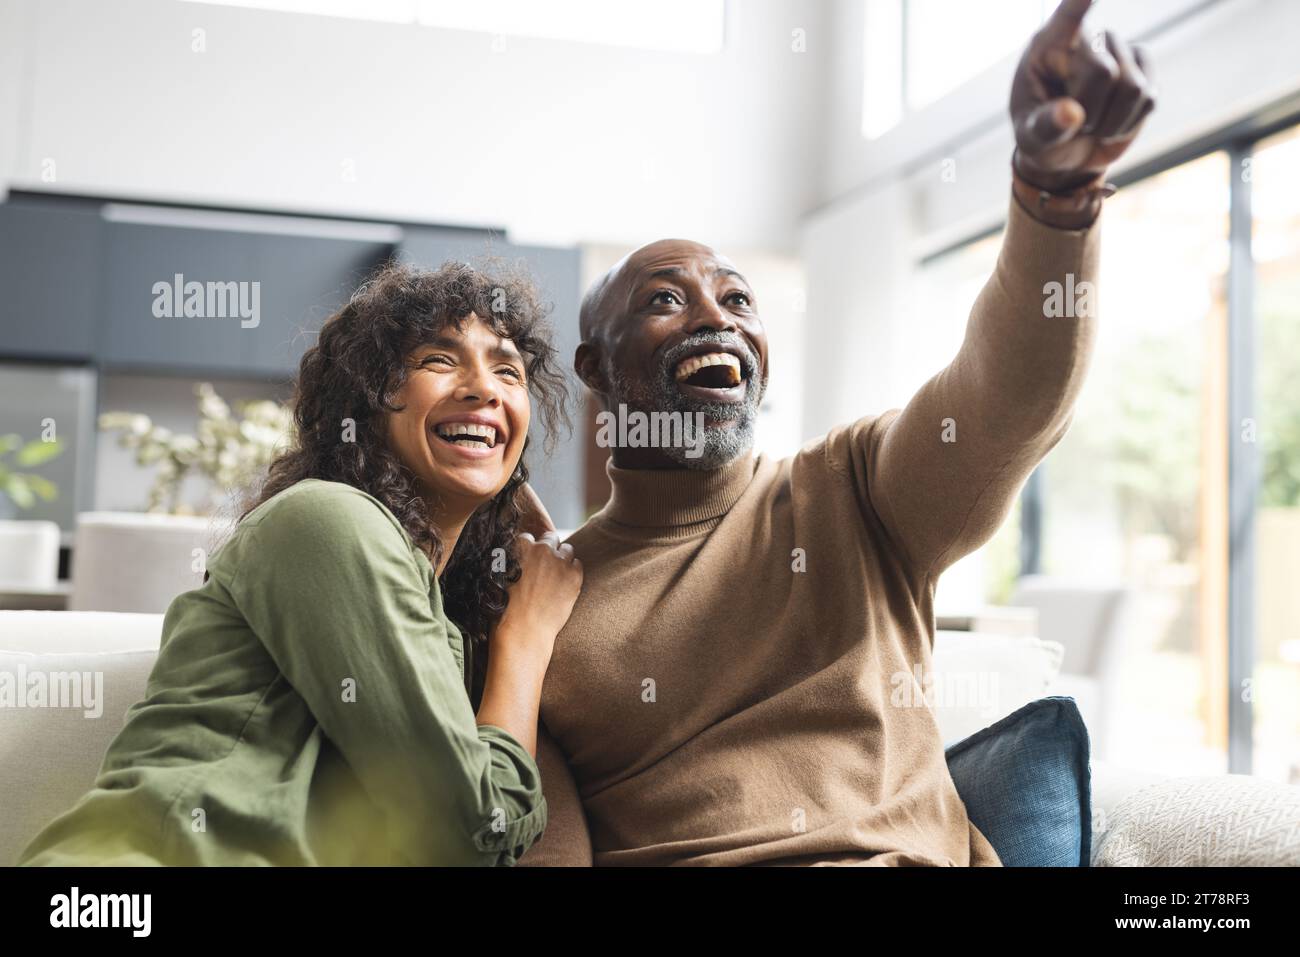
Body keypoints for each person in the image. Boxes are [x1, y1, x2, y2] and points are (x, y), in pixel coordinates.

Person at [520, 0, 1155, 866]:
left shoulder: (853, 490)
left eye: (739, 299)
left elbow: (1008, 395)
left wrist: (1056, 197)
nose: (718, 318)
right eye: (666, 300)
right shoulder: (544, 600)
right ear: (595, 369)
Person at [19, 260, 583, 866]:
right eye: (439, 361)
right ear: (365, 399)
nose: (484, 388)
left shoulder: (441, 610)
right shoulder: (328, 520)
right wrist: (525, 639)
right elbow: (467, 828)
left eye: (508, 370)